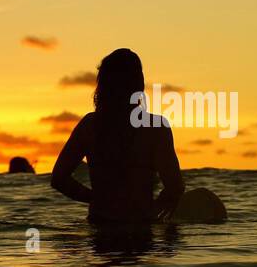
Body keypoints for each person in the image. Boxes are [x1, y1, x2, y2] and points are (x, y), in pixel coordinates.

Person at [51, 48, 184, 226]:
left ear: (103, 85)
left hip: (100, 225)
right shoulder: (156, 127)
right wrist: (155, 210)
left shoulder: (90, 125)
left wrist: (96, 198)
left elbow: (59, 178)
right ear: (139, 84)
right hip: (140, 229)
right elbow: (175, 187)